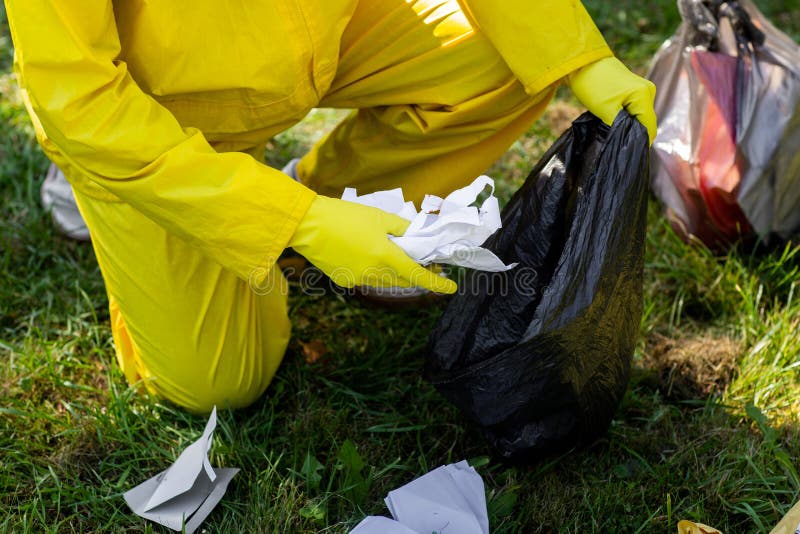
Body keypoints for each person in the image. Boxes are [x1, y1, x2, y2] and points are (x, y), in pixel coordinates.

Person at [5, 0, 656, 413]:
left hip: (328, 28)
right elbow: (80, 100)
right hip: (153, 115)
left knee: (514, 58)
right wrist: (289, 221)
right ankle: (159, 203)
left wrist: (580, 57)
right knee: (218, 384)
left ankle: (305, 210)